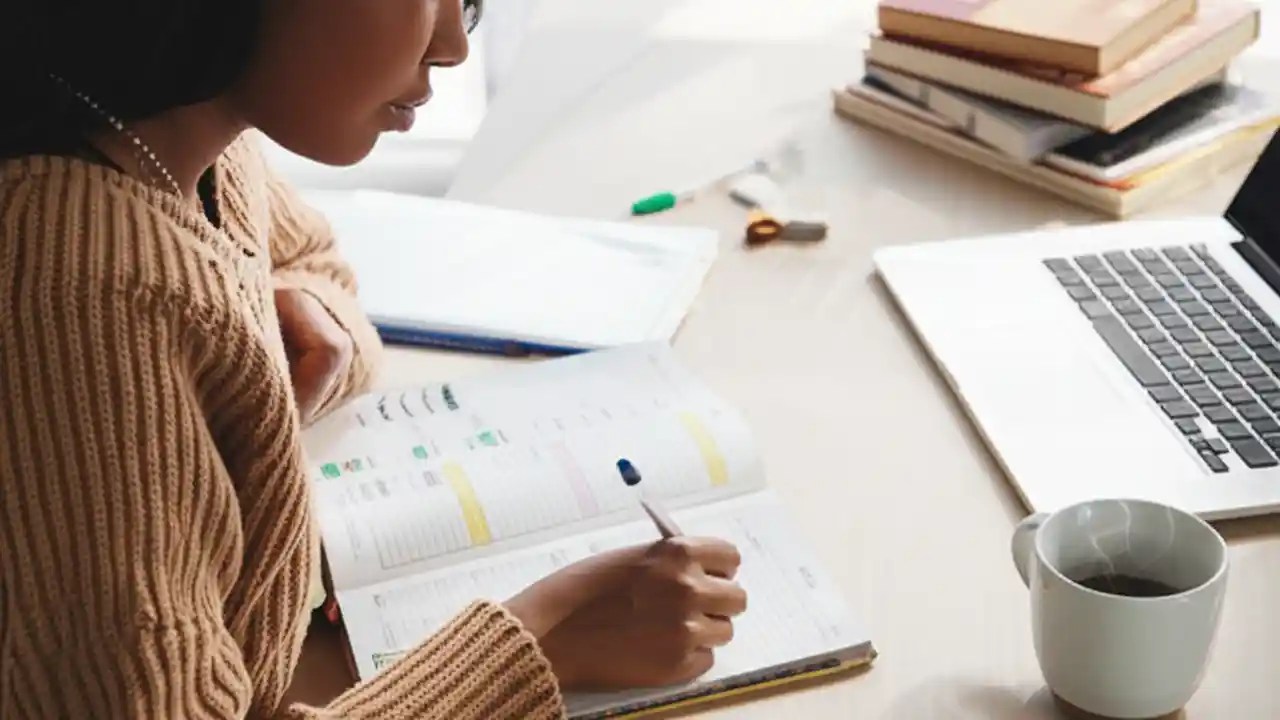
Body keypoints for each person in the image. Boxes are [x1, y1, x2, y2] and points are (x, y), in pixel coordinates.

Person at [0, 1, 749, 717]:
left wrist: (303, 331)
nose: (454, 44)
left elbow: (318, 264)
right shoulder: (82, 293)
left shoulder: (194, 142)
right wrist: (548, 641)